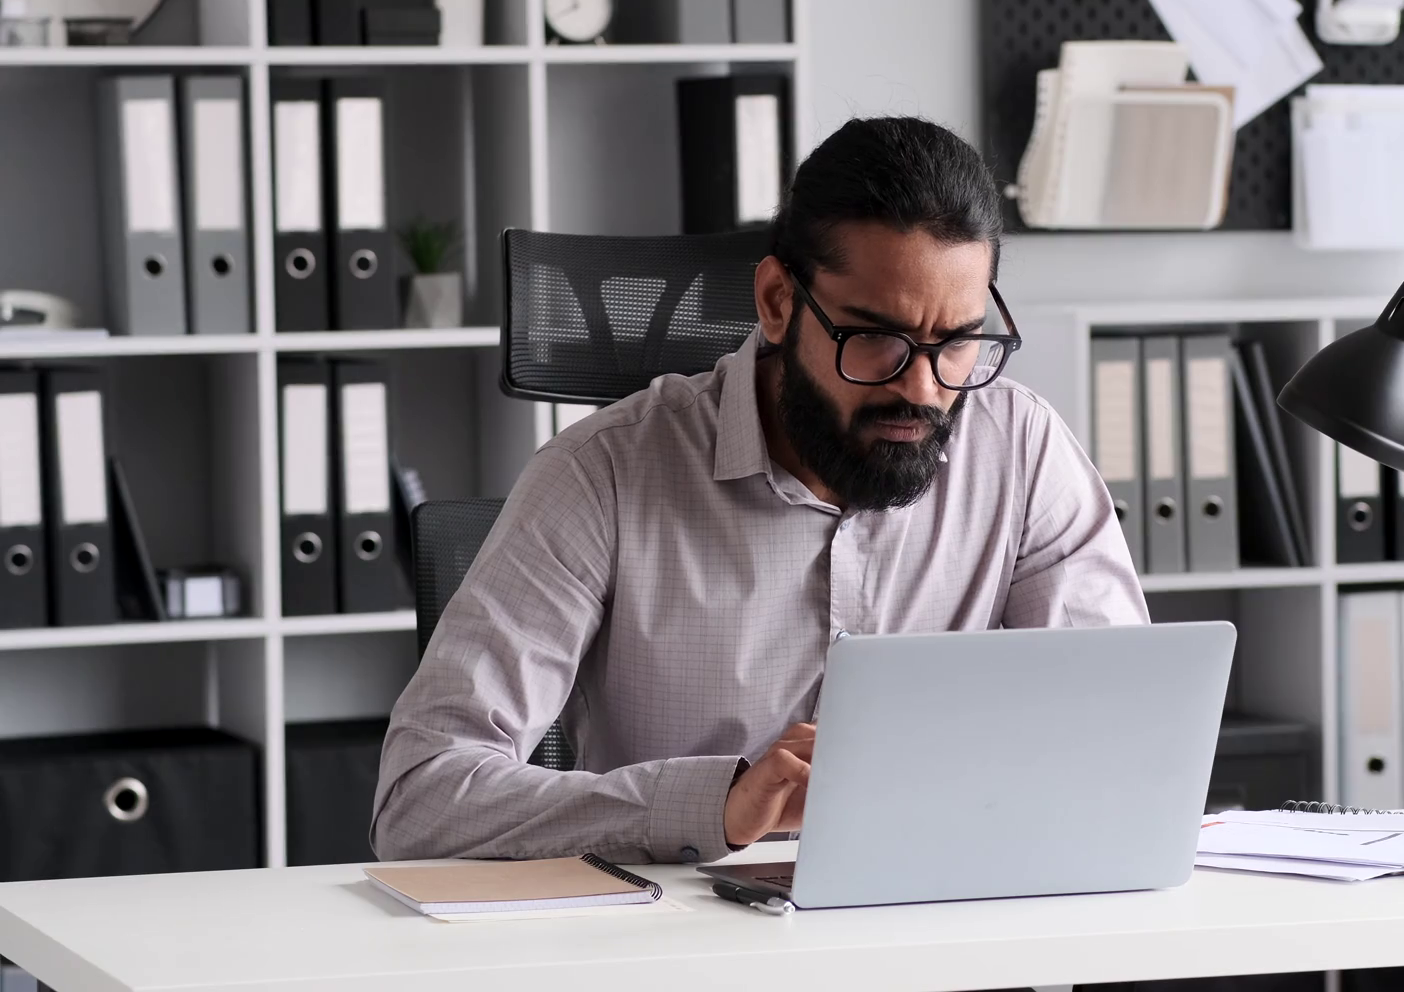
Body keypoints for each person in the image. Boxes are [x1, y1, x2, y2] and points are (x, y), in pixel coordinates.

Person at [371, 116, 1149, 864]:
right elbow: (420, 799)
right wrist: (713, 805)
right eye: (877, 339)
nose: (924, 388)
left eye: (958, 343)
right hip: (688, 950)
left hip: (942, 927)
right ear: (779, 302)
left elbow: (1126, 732)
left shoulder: (1021, 449)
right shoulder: (600, 476)